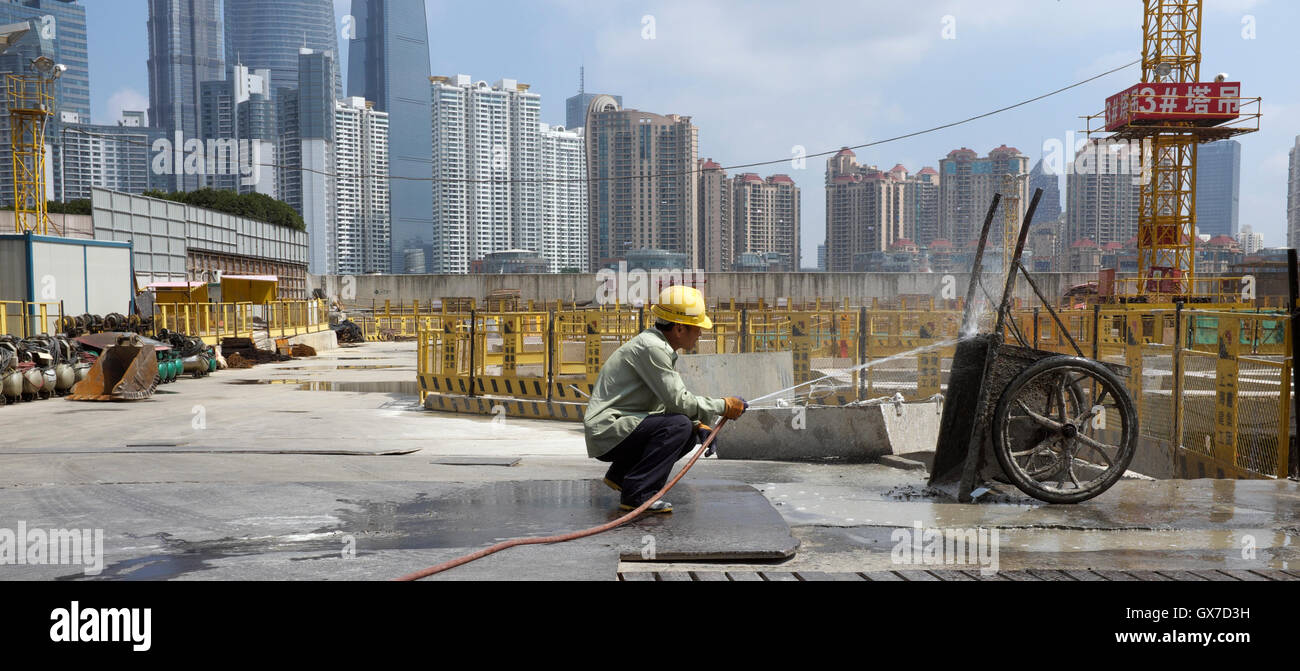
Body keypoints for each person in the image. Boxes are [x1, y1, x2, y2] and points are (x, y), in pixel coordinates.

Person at [583, 286, 747, 514]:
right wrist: (724, 405)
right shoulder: (653, 348)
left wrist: (698, 424)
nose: (700, 334)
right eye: (697, 328)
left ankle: (622, 476)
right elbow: (679, 402)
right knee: (679, 426)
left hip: (620, 427)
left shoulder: (656, 346)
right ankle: (637, 494)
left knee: (685, 430)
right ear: (679, 328)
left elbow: (665, 405)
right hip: (608, 430)